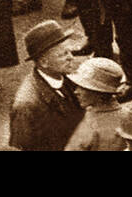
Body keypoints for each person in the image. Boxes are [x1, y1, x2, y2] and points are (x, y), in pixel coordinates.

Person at [9, 20, 84, 151]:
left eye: (70, 52)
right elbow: (20, 147)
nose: (71, 58)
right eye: (63, 54)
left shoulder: (68, 76)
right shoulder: (26, 105)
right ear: (44, 62)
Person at [63, 57, 127, 151]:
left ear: (98, 92)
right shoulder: (130, 115)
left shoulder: (89, 128)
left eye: (83, 87)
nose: (76, 92)